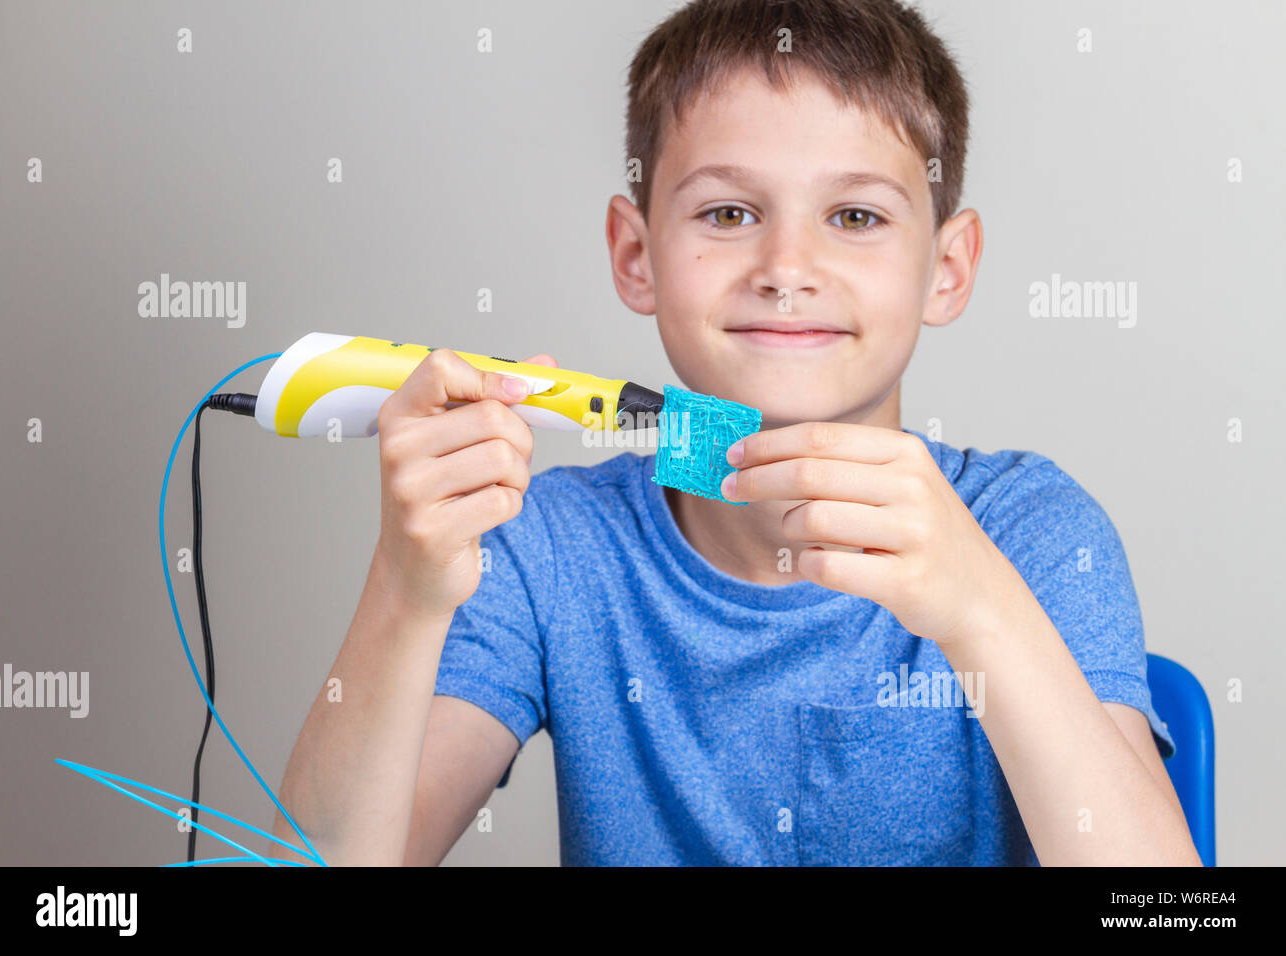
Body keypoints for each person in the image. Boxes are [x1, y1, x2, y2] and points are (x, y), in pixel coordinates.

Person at [272, 0, 1199, 866]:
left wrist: (981, 611)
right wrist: (405, 589)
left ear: (947, 269)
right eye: (727, 213)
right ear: (636, 256)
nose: (787, 267)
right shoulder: (546, 547)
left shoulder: (1033, 532)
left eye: (855, 216)